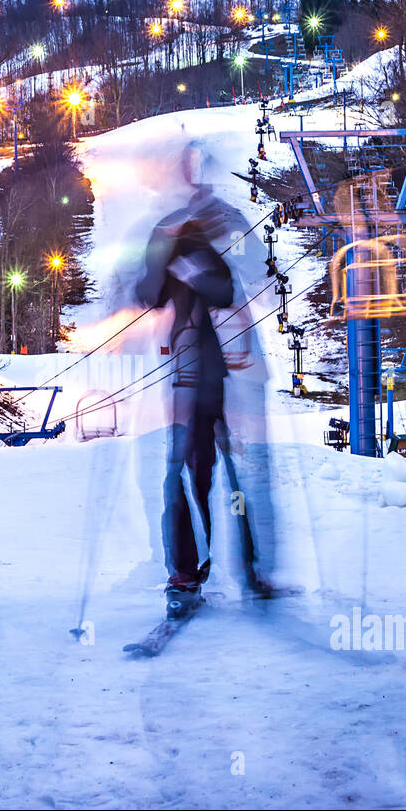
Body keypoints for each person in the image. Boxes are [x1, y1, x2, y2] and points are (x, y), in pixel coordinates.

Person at [136, 144, 278, 619]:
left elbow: (242, 281)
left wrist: (197, 265)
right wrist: (169, 260)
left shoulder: (228, 224)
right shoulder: (171, 229)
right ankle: (187, 568)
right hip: (191, 373)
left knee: (238, 474)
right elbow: (149, 293)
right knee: (188, 471)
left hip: (226, 372)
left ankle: (251, 568)